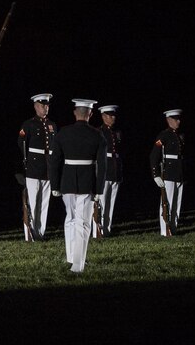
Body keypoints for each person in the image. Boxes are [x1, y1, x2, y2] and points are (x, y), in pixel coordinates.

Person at [48, 99, 108, 273]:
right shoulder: (97, 135)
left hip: (67, 180)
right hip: (86, 182)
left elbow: (54, 161)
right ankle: (78, 264)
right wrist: (99, 189)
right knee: (83, 223)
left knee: (70, 219)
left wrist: (54, 185)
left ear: (75, 113)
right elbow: (102, 165)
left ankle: (72, 257)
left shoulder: (63, 133)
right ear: (90, 114)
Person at [17, 93, 56, 241]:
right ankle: (31, 232)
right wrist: (23, 166)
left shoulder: (52, 125)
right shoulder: (29, 124)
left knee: (44, 202)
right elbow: (21, 145)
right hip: (33, 167)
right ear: (35, 106)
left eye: (47, 105)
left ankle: (40, 232)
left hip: (47, 168)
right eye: (42, 105)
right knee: (32, 202)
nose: (45, 108)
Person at [150, 108, 184, 236]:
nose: (178, 121)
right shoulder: (163, 135)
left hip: (179, 171)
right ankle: (165, 230)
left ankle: (173, 228)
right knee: (166, 202)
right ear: (169, 120)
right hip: (168, 172)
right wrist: (156, 174)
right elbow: (154, 155)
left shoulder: (179, 135)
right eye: (176, 119)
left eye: (179, 119)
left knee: (177, 203)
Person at [95, 104, 122, 236]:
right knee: (101, 202)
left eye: (113, 115)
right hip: (104, 170)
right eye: (110, 115)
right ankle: (98, 229)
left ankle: (107, 229)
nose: (113, 118)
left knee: (111, 202)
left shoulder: (116, 132)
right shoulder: (98, 132)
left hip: (115, 170)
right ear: (103, 116)